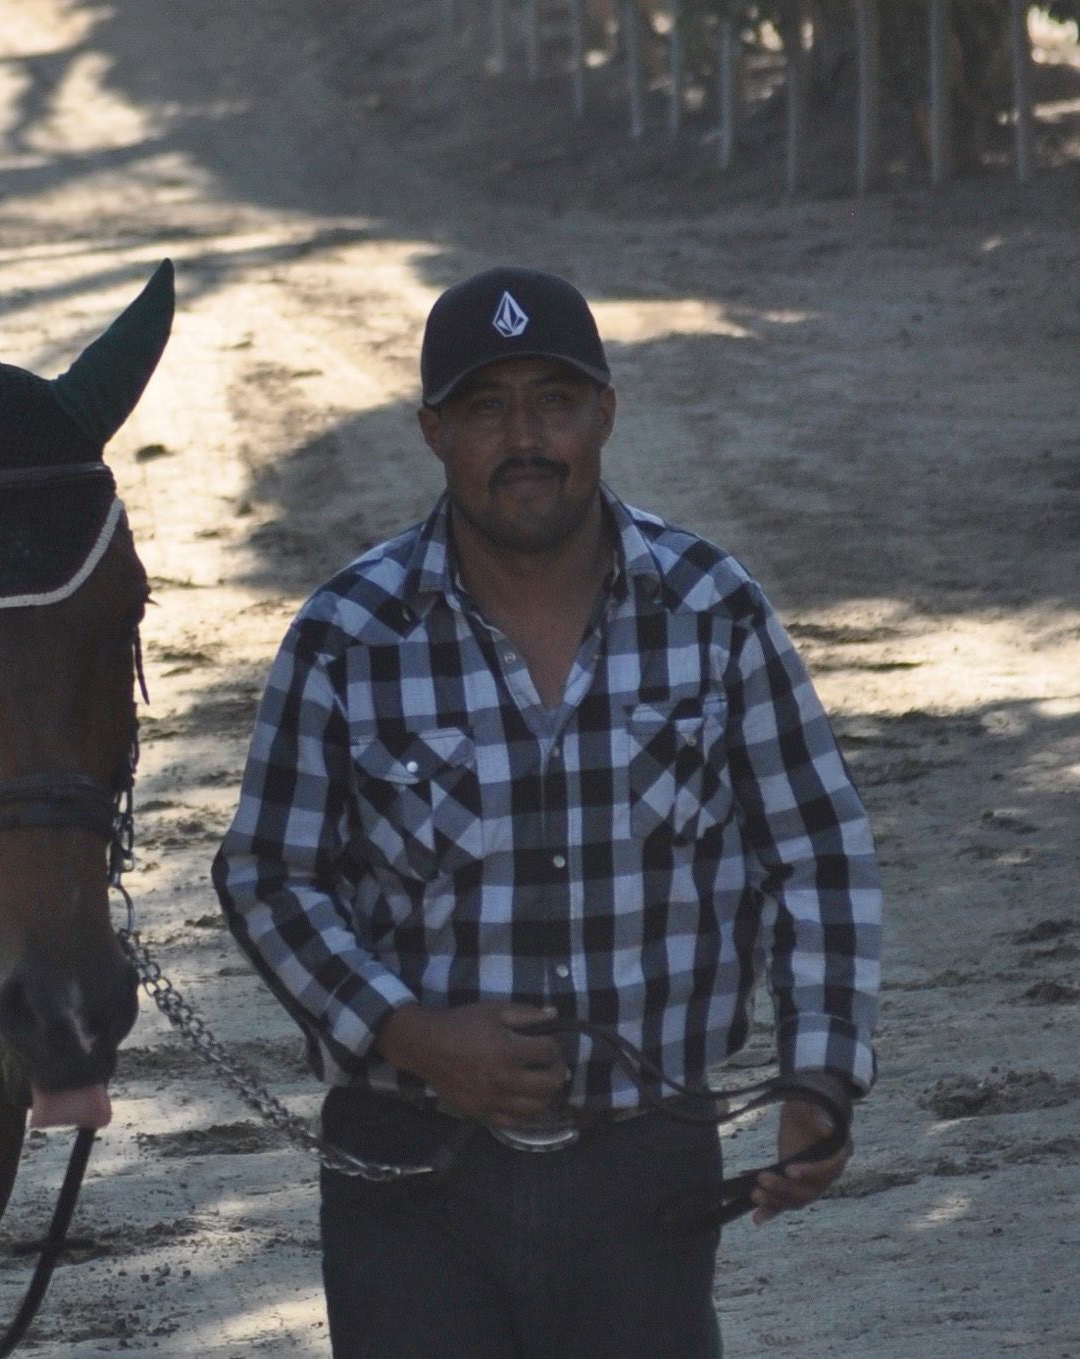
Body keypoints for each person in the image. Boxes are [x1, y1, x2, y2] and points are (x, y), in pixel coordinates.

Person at [215, 267, 881, 1358]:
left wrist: (820, 1070)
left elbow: (816, 853)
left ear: (604, 415)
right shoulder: (345, 636)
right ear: (432, 430)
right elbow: (266, 876)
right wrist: (410, 1032)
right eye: (485, 407)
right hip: (408, 1173)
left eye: (554, 401)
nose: (523, 438)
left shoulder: (711, 610)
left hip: (647, 1165)